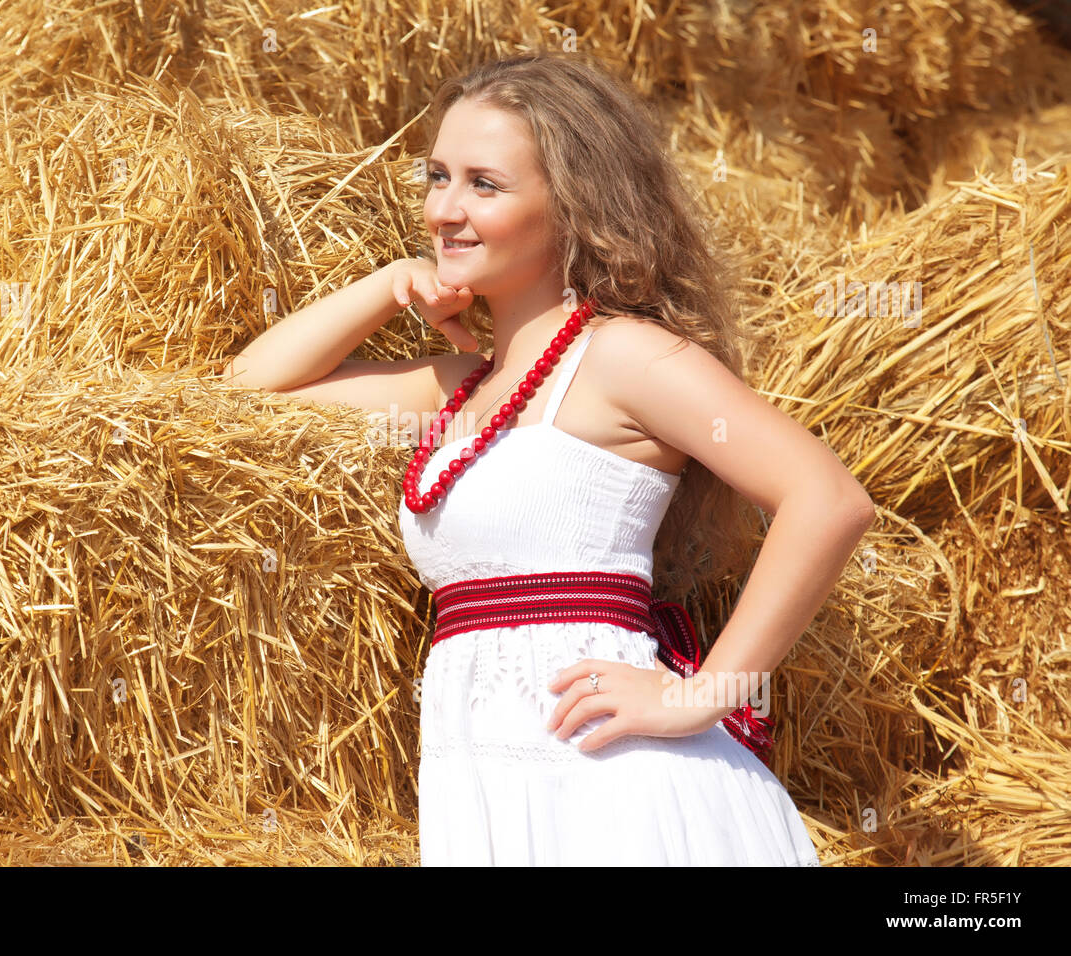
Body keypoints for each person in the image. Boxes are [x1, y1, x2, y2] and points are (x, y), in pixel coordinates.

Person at [224, 51, 875, 865]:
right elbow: (248, 389)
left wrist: (705, 696)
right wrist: (391, 283)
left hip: (618, 789)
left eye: (484, 185)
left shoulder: (623, 357)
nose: (445, 209)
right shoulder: (458, 386)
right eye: (437, 177)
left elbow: (828, 499)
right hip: (491, 788)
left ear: (573, 204)